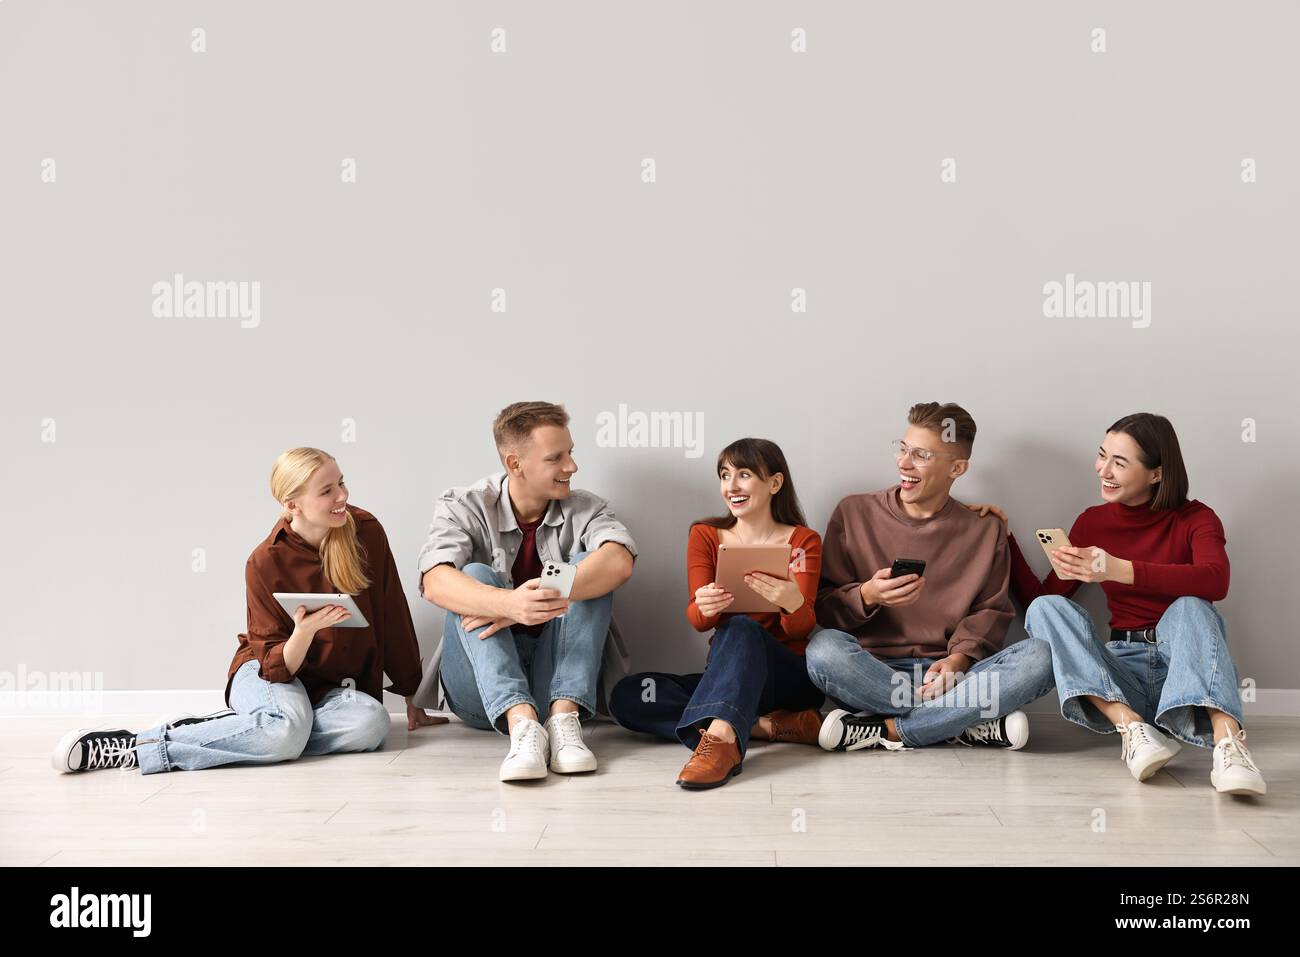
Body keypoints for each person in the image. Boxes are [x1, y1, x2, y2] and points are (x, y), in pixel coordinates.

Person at [54, 447, 440, 775]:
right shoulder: (265, 562)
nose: (342, 495)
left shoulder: (366, 532)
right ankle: (139, 747)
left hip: (334, 689)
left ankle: (247, 731)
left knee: (371, 725)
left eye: (341, 482)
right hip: (269, 672)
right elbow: (275, 664)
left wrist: (410, 692)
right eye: (327, 490)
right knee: (286, 729)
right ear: (292, 505)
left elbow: (392, 611)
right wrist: (303, 633)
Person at [968, 412, 1265, 794]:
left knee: (1191, 604)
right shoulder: (1093, 522)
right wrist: (1004, 538)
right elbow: (1045, 602)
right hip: (1122, 674)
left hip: (1184, 667)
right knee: (1046, 610)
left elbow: (1215, 579)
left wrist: (1117, 569)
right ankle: (1132, 728)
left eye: (1119, 463)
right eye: (1102, 455)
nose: (1103, 470)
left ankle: (1230, 744)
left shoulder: (1197, 518)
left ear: (1156, 474)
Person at [807, 402, 1056, 754]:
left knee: (1043, 655)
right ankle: (963, 724)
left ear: (957, 467)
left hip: (954, 678)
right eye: (903, 449)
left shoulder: (984, 530)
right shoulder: (853, 512)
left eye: (921, 455)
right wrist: (868, 595)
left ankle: (889, 729)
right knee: (822, 650)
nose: (903, 463)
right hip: (871, 672)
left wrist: (957, 661)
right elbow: (823, 609)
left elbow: (991, 613)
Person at [416, 401, 636, 782]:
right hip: (481, 696)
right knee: (473, 574)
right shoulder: (463, 504)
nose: (572, 466)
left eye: (571, 453)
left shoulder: (586, 508)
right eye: (557, 457)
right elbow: (435, 582)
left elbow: (618, 562)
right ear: (515, 464)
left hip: (557, 682)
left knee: (587, 566)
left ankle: (564, 723)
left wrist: (537, 597)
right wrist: (508, 603)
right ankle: (523, 726)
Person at [609, 438, 825, 790]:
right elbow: (698, 621)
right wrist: (704, 606)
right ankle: (767, 726)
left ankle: (722, 743)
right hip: (728, 676)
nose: (731, 486)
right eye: (724, 475)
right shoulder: (706, 535)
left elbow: (802, 629)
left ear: (774, 483)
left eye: (743, 475)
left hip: (786, 677)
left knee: (741, 627)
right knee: (628, 697)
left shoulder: (803, 541)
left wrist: (792, 602)